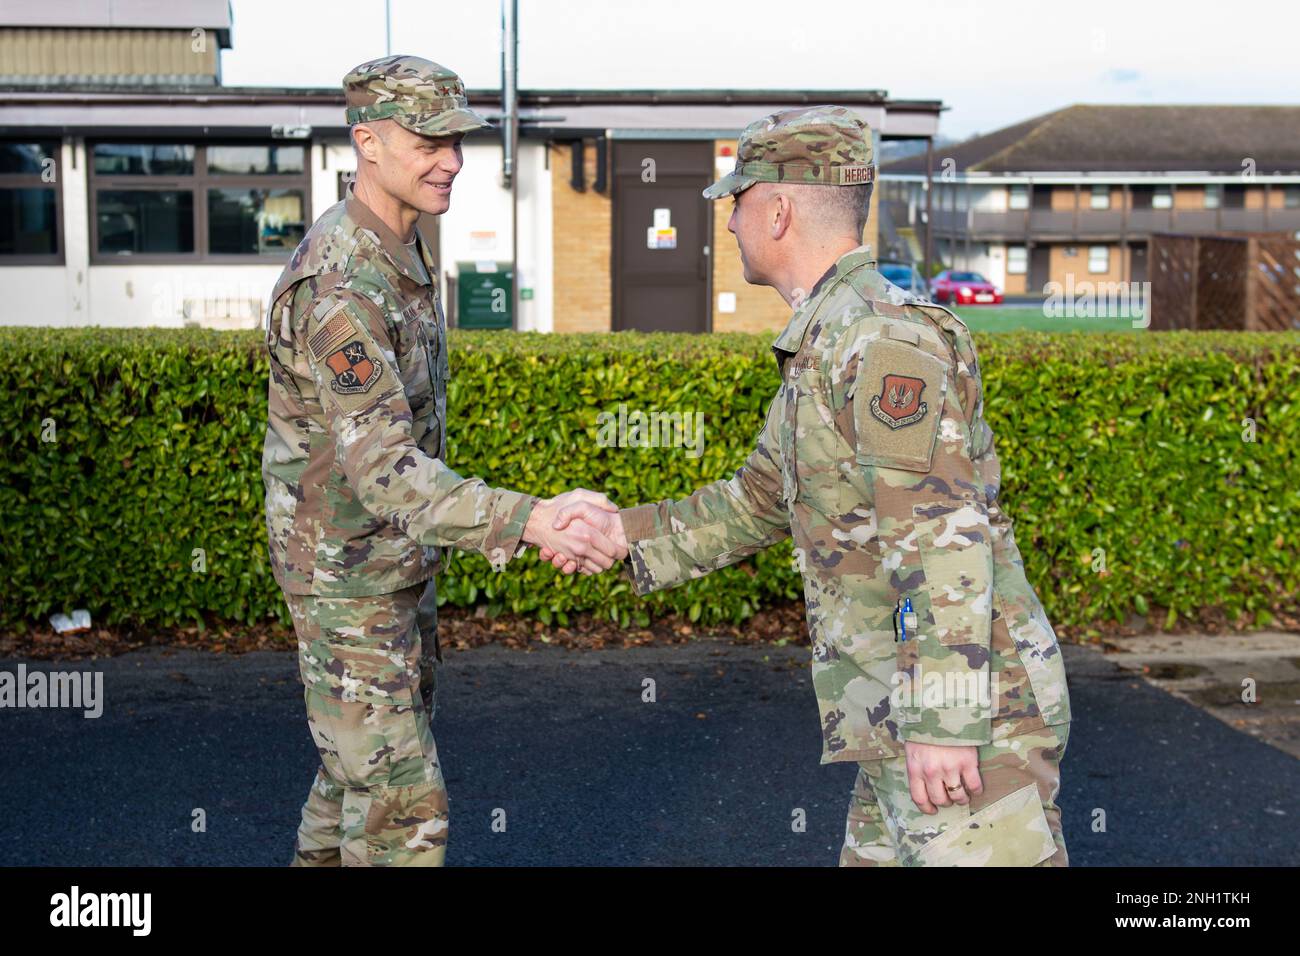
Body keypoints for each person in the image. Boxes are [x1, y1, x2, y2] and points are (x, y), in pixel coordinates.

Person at [545, 105, 1073, 866]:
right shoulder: (830, 336)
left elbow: (941, 534)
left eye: (738, 200)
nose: (729, 224)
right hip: (898, 709)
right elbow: (760, 496)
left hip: (962, 724)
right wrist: (619, 534)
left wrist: (943, 724)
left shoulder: (879, 339)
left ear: (780, 208)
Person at [261, 54, 620, 867]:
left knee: (356, 774)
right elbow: (386, 470)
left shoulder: (401, 251)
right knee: (401, 808)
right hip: (347, 575)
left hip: (389, 565)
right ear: (368, 143)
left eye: (456, 139)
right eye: (429, 140)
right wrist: (532, 520)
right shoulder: (342, 284)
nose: (451, 159)